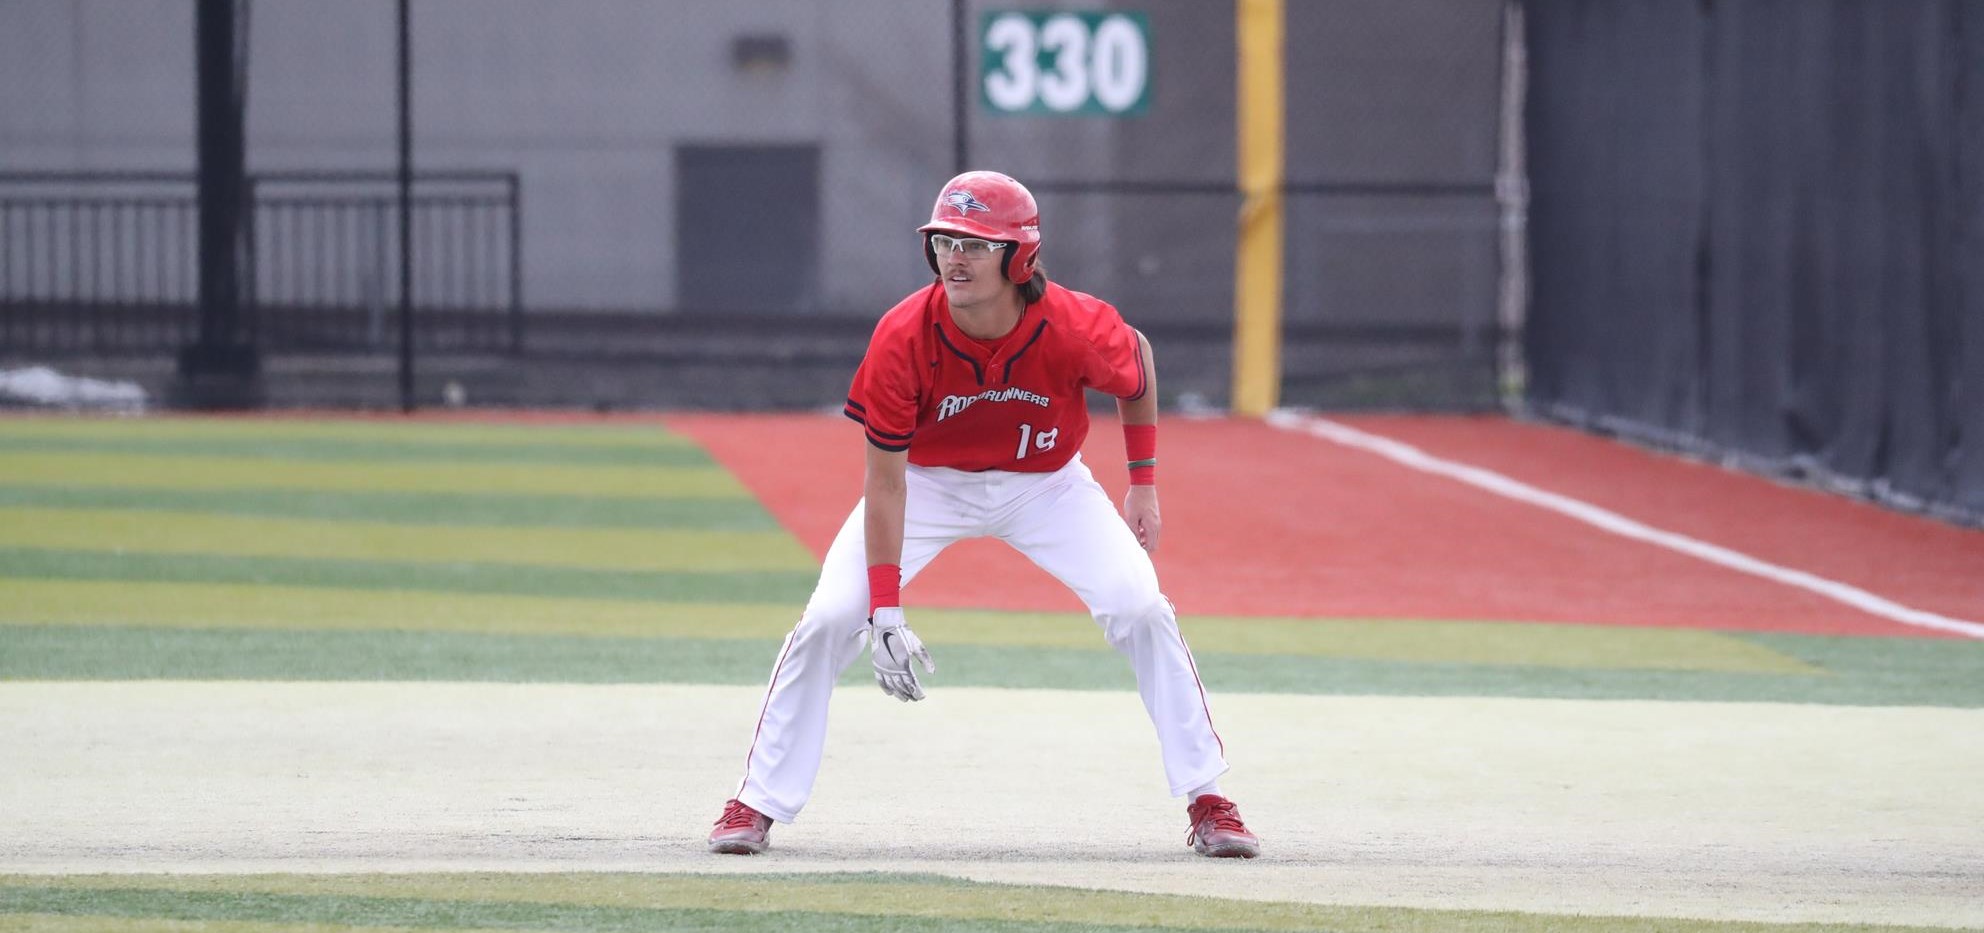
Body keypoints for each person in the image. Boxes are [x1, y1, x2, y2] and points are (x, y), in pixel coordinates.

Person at [707, 170, 1259, 859]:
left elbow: (1138, 366)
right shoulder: (903, 335)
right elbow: (885, 484)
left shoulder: (1073, 324)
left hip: (1047, 485)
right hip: (929, 484)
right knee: (827, 618)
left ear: (1019, 256)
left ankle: (1209, 797)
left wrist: (1142, 483)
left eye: (975, 243)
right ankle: (756, 800)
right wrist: (885, 608)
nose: (954, 257)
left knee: (1141, 606)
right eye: (943, 240)